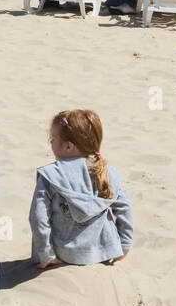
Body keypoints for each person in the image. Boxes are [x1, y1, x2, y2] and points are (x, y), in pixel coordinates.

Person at [30, 109, 132, 269]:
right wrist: (124, 244)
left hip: (64, 253)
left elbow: (38, 218)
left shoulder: (50, 175)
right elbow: (124, 209)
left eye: (53, 138)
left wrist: (46, 254)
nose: (50, 142)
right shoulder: (107, 172)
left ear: (69, 146)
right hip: (103, 252)